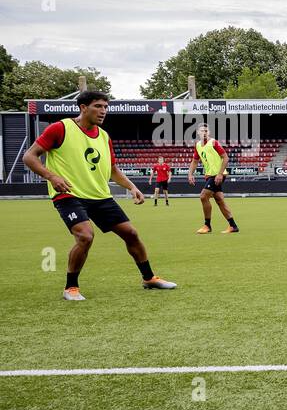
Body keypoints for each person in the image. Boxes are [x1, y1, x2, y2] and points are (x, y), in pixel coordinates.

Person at [22, 90, 177, 300]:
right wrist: (52, 177)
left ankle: (148, 278)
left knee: (131, 234)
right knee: (85, 236)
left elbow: (113, 170)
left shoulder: (104, 136)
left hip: (100, 196)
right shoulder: (60, 128)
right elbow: (29, 156)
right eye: (98, 106)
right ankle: (71, 287)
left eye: (105, 107)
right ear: (83, 107)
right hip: (69, 195)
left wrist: (132, 187)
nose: (103, 111)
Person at [187, 124, 239, 234]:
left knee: (203, 196)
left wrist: (220, 174)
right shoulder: (197, 145)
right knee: (219, 199)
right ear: (198, 132)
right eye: (202, 131)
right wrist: (190, 174)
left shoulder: (214, 142)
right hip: (210, 175)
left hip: (217, 175)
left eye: (206, 130)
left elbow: (225, 157)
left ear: (209, 132)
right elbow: (195, 161)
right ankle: (233, 226)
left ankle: (207, 225)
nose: (204, 132)